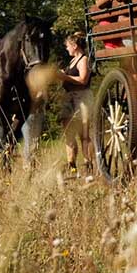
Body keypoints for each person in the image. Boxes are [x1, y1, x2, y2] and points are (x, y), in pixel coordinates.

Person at [57, 32, 93, 173]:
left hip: (81, 98)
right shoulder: (72, 61)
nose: (67, 49)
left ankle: (88, 165)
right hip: (68, 98)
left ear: (74, 45)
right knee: (69, 134)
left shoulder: (84, 60)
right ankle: (71, 165)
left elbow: (83, 80)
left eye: (67, 46)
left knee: (83, 134)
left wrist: (64, 76)